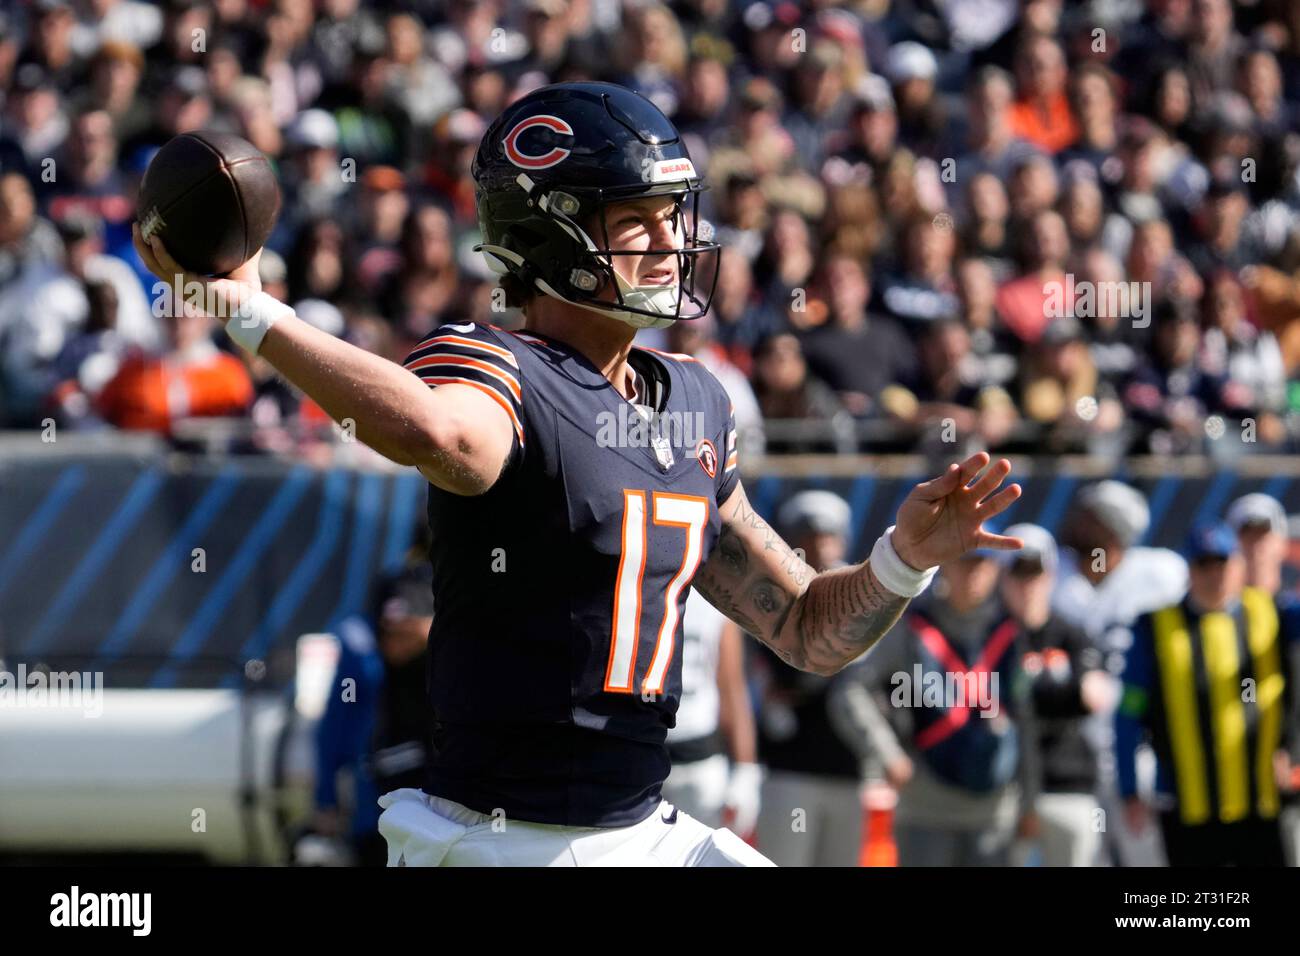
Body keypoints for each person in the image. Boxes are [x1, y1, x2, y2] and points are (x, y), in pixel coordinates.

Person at [132, 81, 1023, 867]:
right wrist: (251, 311)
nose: (670, 242)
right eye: (637, 218)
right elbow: (441, 434)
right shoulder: (499, 365)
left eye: (673, 214)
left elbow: (805, 629)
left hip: (642, 827)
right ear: (549, 236)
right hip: (502, 841)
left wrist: (903, 560)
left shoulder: (695, 400)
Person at [1116, 523, 1289, 866]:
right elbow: (1128, 713)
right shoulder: (1155, 627)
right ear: (1189, 570)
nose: (1214, 574)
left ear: (1238, 566)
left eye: (1222, 563)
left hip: (1262, 800)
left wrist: (1291, 751)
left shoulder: (1272, 614)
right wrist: (1129, 789)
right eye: (1203, 564)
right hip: (1186, 803)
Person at [752, 491, 871, 867]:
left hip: (849, 771)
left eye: (828, 536)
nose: (819, 547)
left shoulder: (865, 598)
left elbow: (872, 680)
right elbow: (788, 679)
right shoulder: (768, 596)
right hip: (791, 771)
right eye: (808, 537)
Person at [998, 523, 1109, 867]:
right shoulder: (991, 637)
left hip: (1067, 783)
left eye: (1035, 573)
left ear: (1050, 575)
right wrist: (1058, 691)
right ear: (1003, 578)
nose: (1027, 584)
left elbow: (1094, 695)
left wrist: (1032, 691)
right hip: (1005, 787)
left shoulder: (1072, 633)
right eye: (1019, 573)